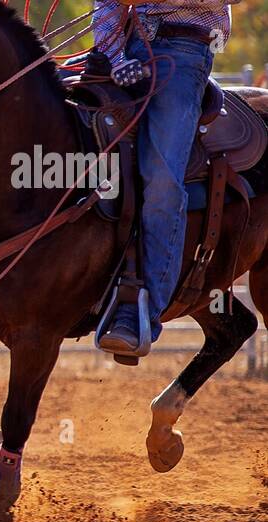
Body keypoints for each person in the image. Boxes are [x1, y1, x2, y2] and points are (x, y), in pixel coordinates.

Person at [96, 0, 240, 356]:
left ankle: (141, 309)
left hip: (184, 50)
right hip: (125, 45)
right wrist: (114, 58)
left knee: (161, 176)